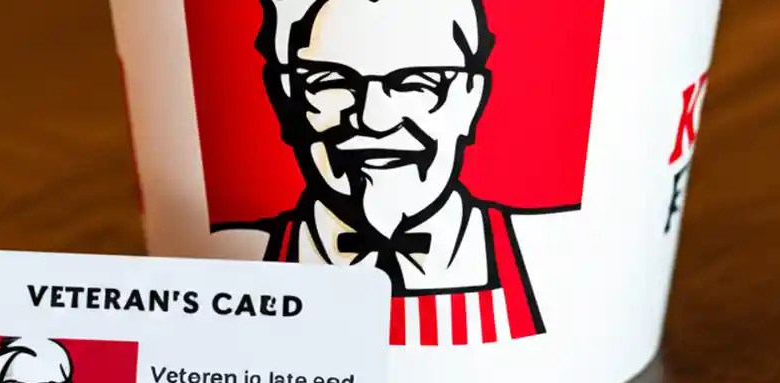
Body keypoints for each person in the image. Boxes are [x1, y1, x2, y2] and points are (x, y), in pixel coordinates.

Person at [215, 0, 556, 346]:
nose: (375, 120)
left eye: (419, 84)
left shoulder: (545, 251)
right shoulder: (229, 255)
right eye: (331, 81)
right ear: (285, 100)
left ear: (471, 100)